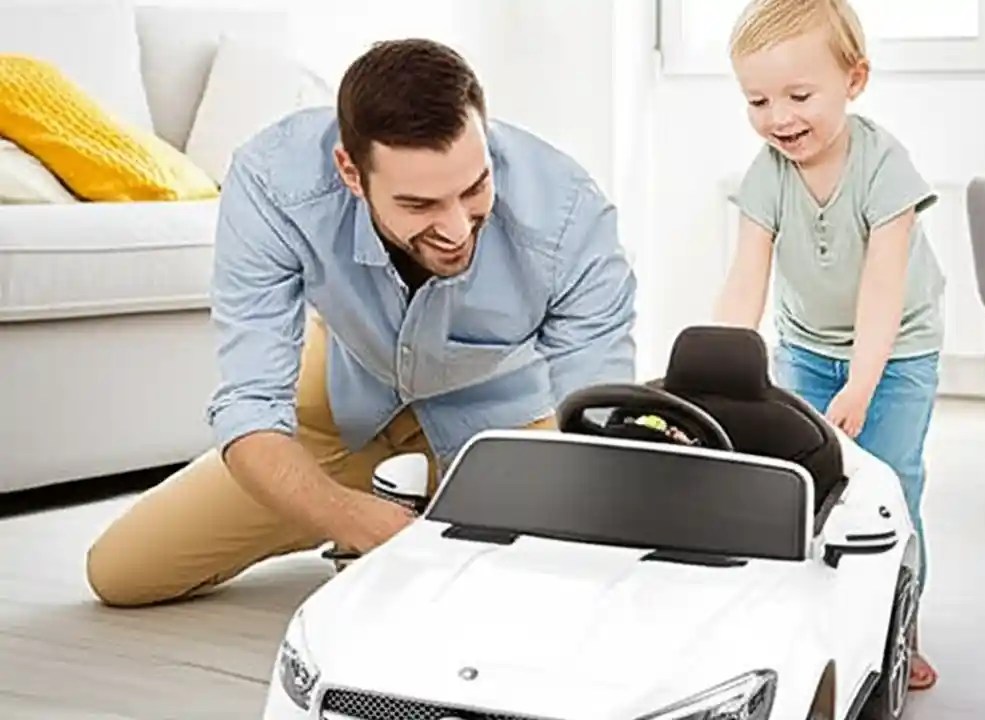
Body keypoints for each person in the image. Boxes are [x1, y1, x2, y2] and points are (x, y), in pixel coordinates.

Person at [85, 38, 637, 607]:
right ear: (351, 172)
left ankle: (435, 517)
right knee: (122, 573)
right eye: (420, 205)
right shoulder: (275, 181)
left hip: (496, 422)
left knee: (554, 585)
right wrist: (345, 515)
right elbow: (249, 405)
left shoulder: (571, 216)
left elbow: (593, 429)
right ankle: (373, 513)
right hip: (344, 389)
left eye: (473, 189)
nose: (455, 228)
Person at [712, 0, 944, 690]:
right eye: (757, 99)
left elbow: (882, 291)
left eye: (799, 95)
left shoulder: (884, 167)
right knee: (803, 487)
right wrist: (716, 369)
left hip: (896, 354)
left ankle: (901, 625)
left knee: (889, 483)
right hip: (807, 350)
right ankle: (812, 624)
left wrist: (865, 382)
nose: (778, 116)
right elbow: (745, 278)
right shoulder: (768, 173)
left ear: (855, 79)